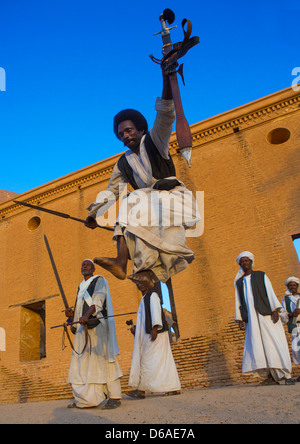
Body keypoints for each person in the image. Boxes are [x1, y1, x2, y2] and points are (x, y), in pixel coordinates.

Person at [85, 69, 200, 287]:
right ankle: (126, 263)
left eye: (128, 131)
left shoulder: (154, 140)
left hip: (173, 199)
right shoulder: (123, 162)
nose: (125, 136)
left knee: (134, 201)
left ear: (141, 129)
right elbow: (112, 191)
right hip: (147, 204)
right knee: (132, 213)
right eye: (121, 134)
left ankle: (127, 262)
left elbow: (166, 115)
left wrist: (167, 78)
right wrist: (95, 214)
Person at [66, 259, 123, 409]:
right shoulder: (80, 287)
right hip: (82, 329)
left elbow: (98, 300)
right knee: (81, 363)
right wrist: (71, 317)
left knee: (104, 359)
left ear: (93, 268)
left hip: (97, 326)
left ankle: (115, 396)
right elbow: (79, 309)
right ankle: (86, 399)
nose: (84, 266)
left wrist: (87, 315)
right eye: (82, 264)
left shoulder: (99, 280)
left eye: (87, 264)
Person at [234, 251, 294, 385]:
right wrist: (240, 319)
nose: (245, 263)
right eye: (242, 261)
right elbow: (238, 301)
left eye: (247, 260)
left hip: (266, 314)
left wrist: (275, 309)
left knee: (273, 342)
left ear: (251, 262)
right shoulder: (238, 283)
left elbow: (270, 292)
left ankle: (285, 374)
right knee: (258, 346)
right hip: (251, 319)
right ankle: (270, 376)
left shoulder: (261, 275)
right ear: (240, 264)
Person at [126, 278, 181, 399]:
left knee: (147, 361)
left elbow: (156, 312)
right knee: (160, 361)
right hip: (149, 334)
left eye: (144, 282)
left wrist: (155, 328)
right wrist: (137, 329)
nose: (141, 285)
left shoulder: (153, 296)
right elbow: (144, 319)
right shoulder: (144, 298)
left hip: (156, 334)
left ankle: (141, 390)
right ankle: (172, 387)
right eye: (139, 283)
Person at [280, 277, 300, 380]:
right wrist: (291, 314)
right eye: (290, 285)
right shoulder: (286, 299)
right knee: (297, 349)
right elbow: (282, 312)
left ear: (297, 286)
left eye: (294, 285)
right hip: (294, 326)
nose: (293, 287)